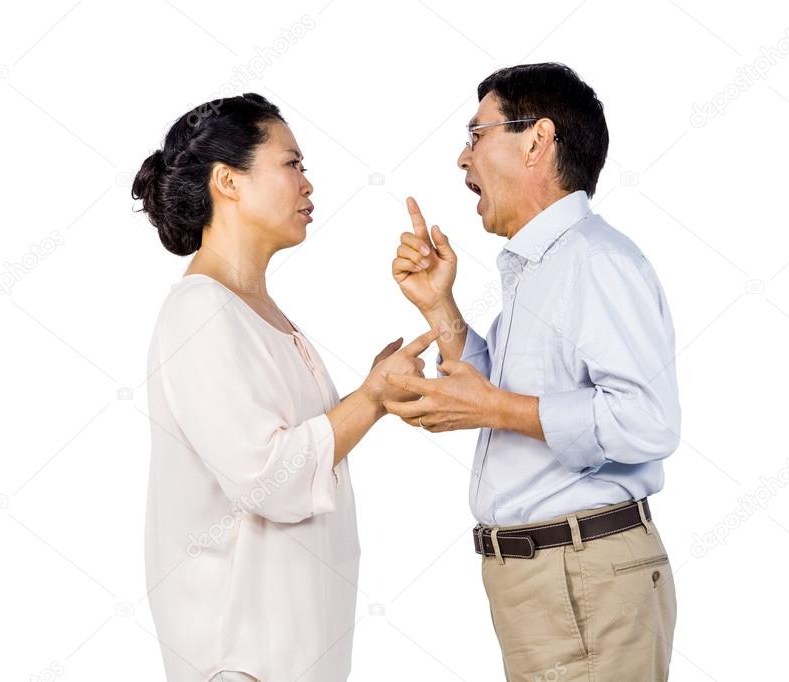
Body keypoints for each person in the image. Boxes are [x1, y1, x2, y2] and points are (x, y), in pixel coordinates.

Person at [385, 63, 681, 680]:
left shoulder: (594, 261)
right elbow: (501, 390)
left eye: (476, 135)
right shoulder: (538, 265)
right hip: (553, 580)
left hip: (583, 576)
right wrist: (440, 306)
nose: (461, 158)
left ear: (536, 140)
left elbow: (647, 422)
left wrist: (493, 410)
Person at [134, 92, 435, 682]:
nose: (308, 185)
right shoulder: (200, 311)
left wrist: (373, 396)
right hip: (241, 661)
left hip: (297, 655)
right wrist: (370, 398)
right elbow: (267, 478)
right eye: (291, 164)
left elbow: (300, 449)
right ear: (229, 182)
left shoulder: (258, 310)